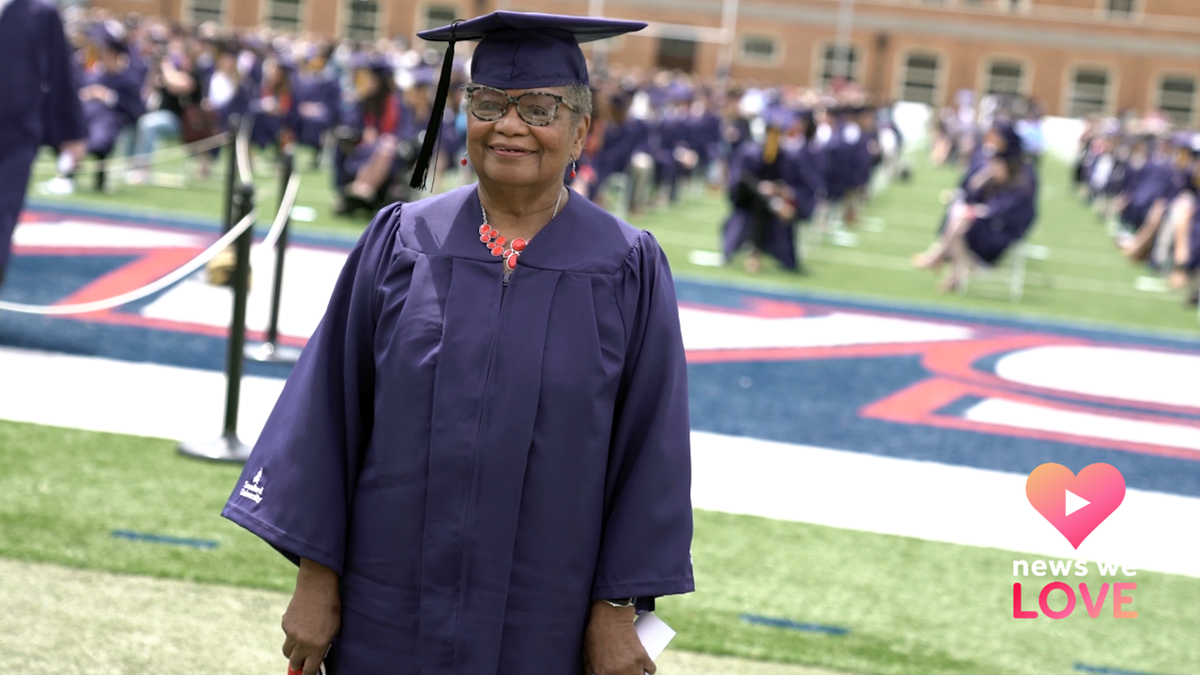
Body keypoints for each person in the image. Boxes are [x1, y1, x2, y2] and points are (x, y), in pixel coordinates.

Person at [222, 11, 694, 675]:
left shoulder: (626, 266)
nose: (510, 124)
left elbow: (653, 449)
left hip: (545, 616)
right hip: (388, 603)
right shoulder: (400, 242)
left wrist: (617, 610)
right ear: (463, 115)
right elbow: (329, 414)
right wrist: (315, 582)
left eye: (539, 107)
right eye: (489, 102)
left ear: (582, 129)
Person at [0, 0, 86, 289]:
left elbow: (60, 72)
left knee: (2, 216)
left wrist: (71, 132)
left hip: (15, 135)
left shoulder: (39, 12)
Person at [912, 123, 1038, 291]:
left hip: (1001, 230)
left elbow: (1015, 212)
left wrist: (984, 211)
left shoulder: (1024, 178)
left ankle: (940, 257)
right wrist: (982, 179)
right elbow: (970, 193)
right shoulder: (991, 162)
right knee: (959, 211)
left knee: (961, 217)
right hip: (982, 222)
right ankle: (950, 270)